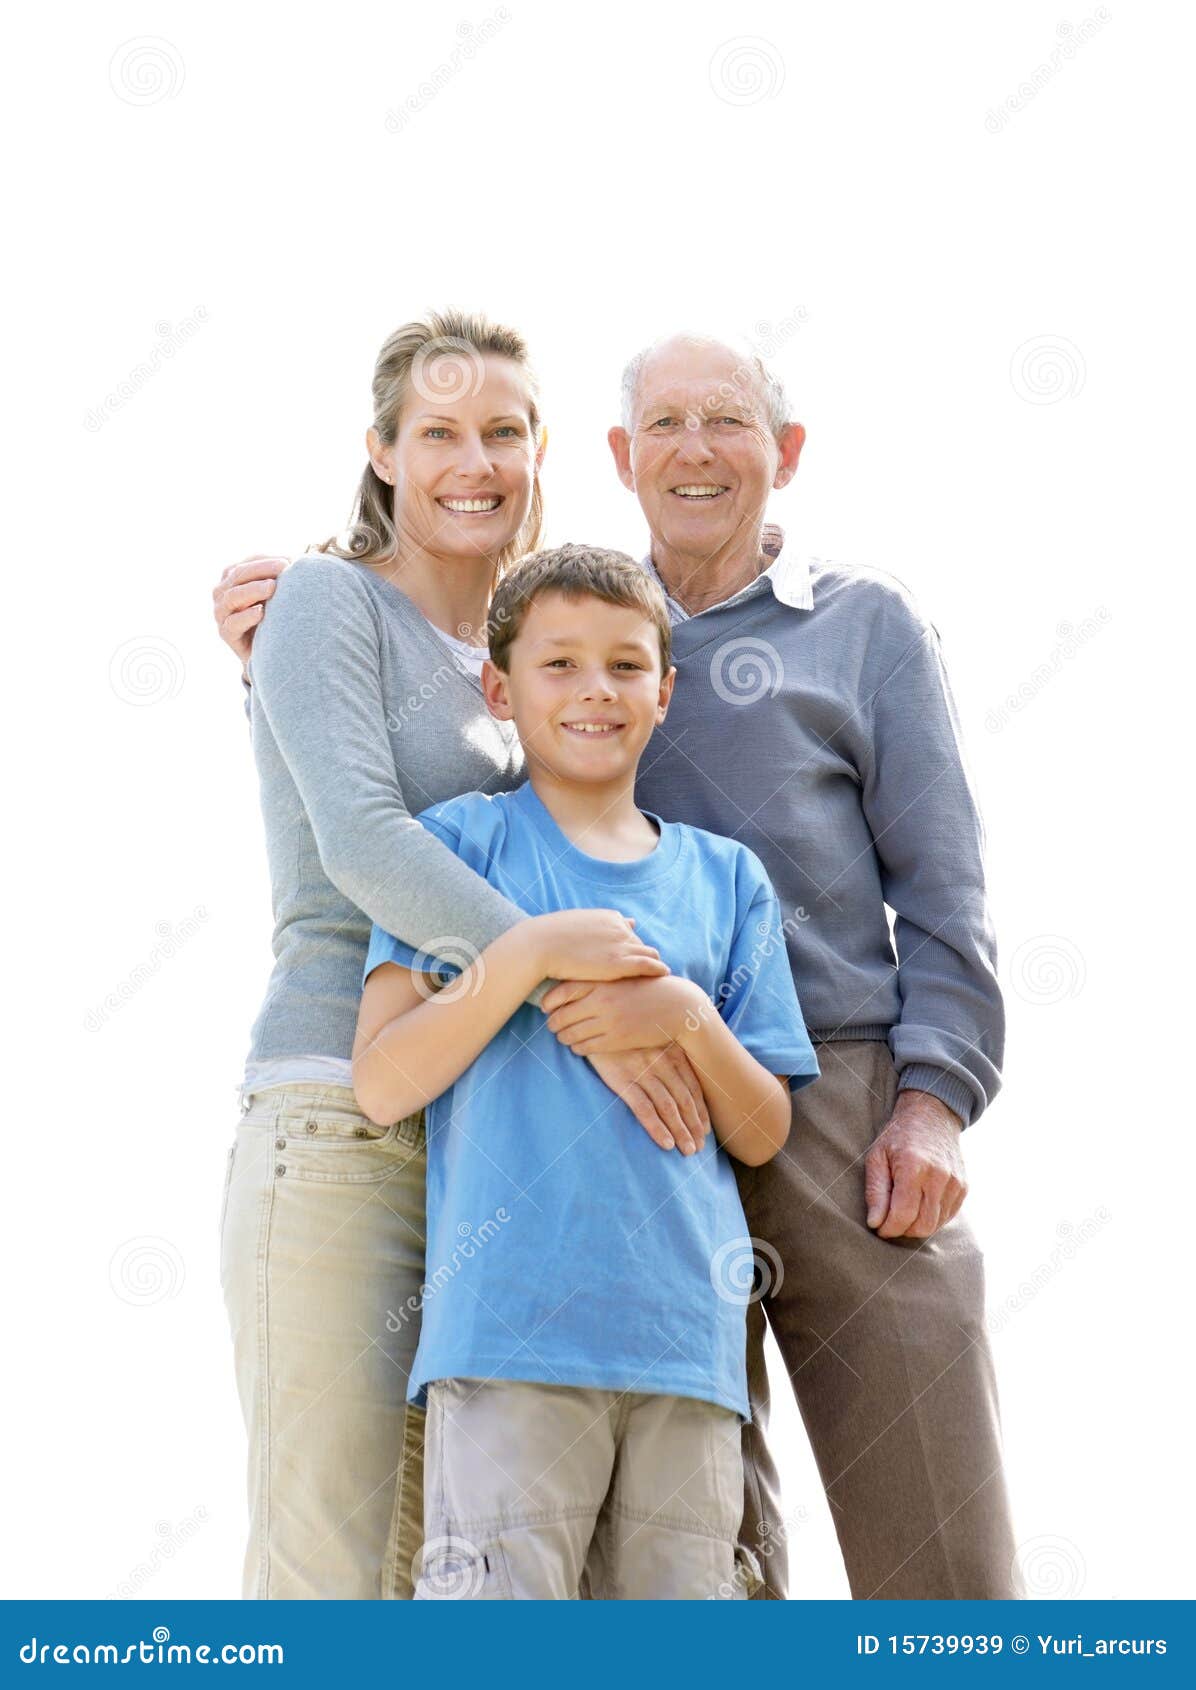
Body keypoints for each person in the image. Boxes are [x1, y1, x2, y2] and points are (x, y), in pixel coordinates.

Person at [215, 327, 1014, 1602]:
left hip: (812, 1093)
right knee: (460, 1552)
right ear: (616, 455)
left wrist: (933, 1096)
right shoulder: (527, 625)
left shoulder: (847, 624)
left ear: (784, 450)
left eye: (728, 420)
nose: (695, 450)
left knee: (919, 1535)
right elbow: (364, 828)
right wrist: (596, 995)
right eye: (664, 425)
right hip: (510, 1098)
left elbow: (945, 881)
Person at [218, 311, 712, 1601]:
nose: (473, 462)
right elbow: (364, 842)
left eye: (502, 431)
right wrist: (584, 995)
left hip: (482, 1140)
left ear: (538, 453)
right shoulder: (325, 600)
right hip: (340, 1116)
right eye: (437, 432)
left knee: (425, 1575)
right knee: (323, 1567)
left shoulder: (527, 654)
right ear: (382, 453)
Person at [352, 545, 819, 1599]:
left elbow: (761, 1131)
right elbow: (381, 1082)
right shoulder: (458, 847)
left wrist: (687, 1014)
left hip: (685, 1351)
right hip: (508, 1339)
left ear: (665, 689)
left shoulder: (726, 878)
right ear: (499, 688)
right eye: (558, 664)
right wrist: (527, 953)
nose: (594, 690)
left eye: (623, 664)